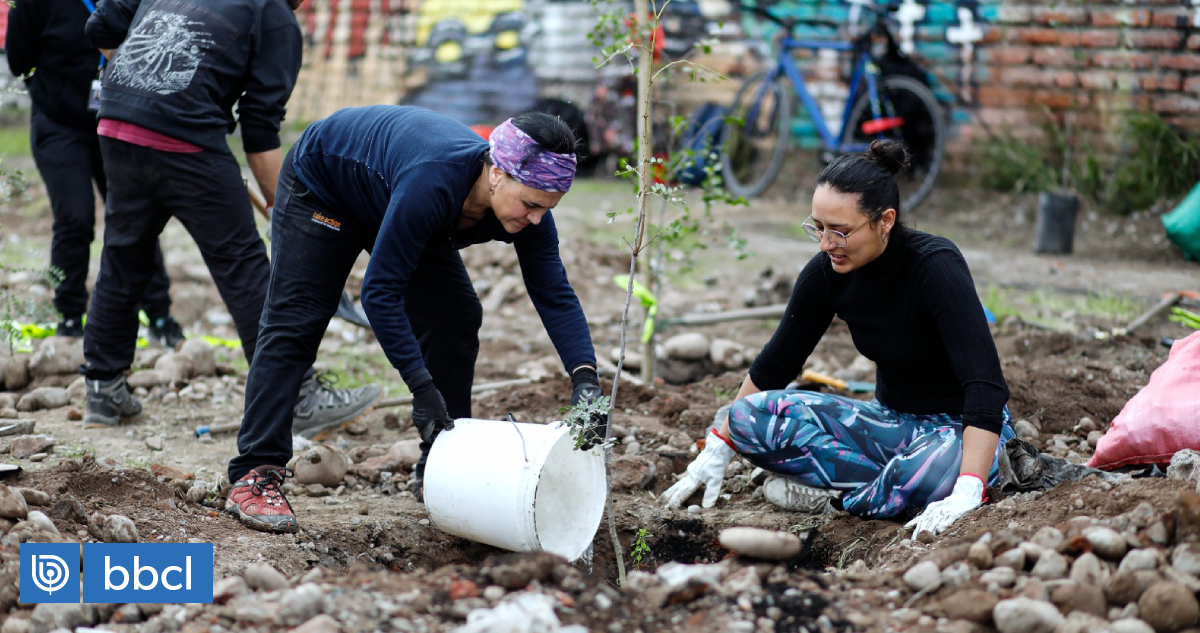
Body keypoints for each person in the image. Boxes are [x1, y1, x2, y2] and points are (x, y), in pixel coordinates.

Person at [224, 106, 605, 534]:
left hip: (393, 195)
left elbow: (554, 294)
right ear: (497, 173)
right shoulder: (436, 182)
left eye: (546, 209)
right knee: (297, 320)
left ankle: (443, 465)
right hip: (327, 183)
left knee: (456, 316)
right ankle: (254, 473)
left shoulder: (528, 212)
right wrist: (420, 387)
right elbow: (379, 293)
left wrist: (585, 378)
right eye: (531, 204)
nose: (535, 219)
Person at [662, 140, 1015, 537]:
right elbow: (777, 364)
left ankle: (836, 497)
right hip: (889, 425)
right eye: (818, 227)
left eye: (840, 232)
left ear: (885, 221)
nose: (826, 243)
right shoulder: (825, 274)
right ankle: (884, 492)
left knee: (940, 472)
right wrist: (720, 446)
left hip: (958, 433)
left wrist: (968, 487)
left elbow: (985, 388)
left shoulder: (934, 268)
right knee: (746, 417)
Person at [80, 0, 380, 430]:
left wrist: (142, 90)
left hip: (117, 124)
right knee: (243, 266)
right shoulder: (275, 20)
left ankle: (102, 387)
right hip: (183, 141)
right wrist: (288, 213)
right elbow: (260, 131)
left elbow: (102, 24)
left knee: (125, 253)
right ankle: (295, 398)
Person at [4, 0, 184, 346]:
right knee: (74, 217)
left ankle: (160, 316)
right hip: (59, 125)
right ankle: (70, 318)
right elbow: (19, 61)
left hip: (118, 120)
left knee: (136, 217)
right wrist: (56, 93)